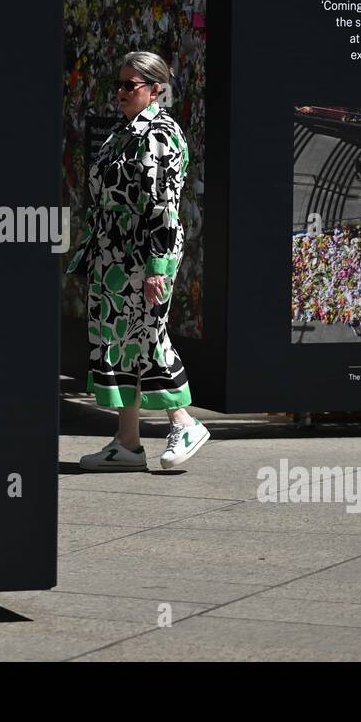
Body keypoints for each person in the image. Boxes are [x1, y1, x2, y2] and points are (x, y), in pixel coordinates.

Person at [66, 51, 209, 471]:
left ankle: (184, 421)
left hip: (145, 252)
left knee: (149, 337)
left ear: (155, 88)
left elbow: (165, 205)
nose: (122, 91)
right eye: (120, 84)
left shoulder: (160, 134)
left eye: (132, 84)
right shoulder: (121, 133)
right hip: (111, 254)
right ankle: (127, 443)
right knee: (116, 341)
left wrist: (157, 268)